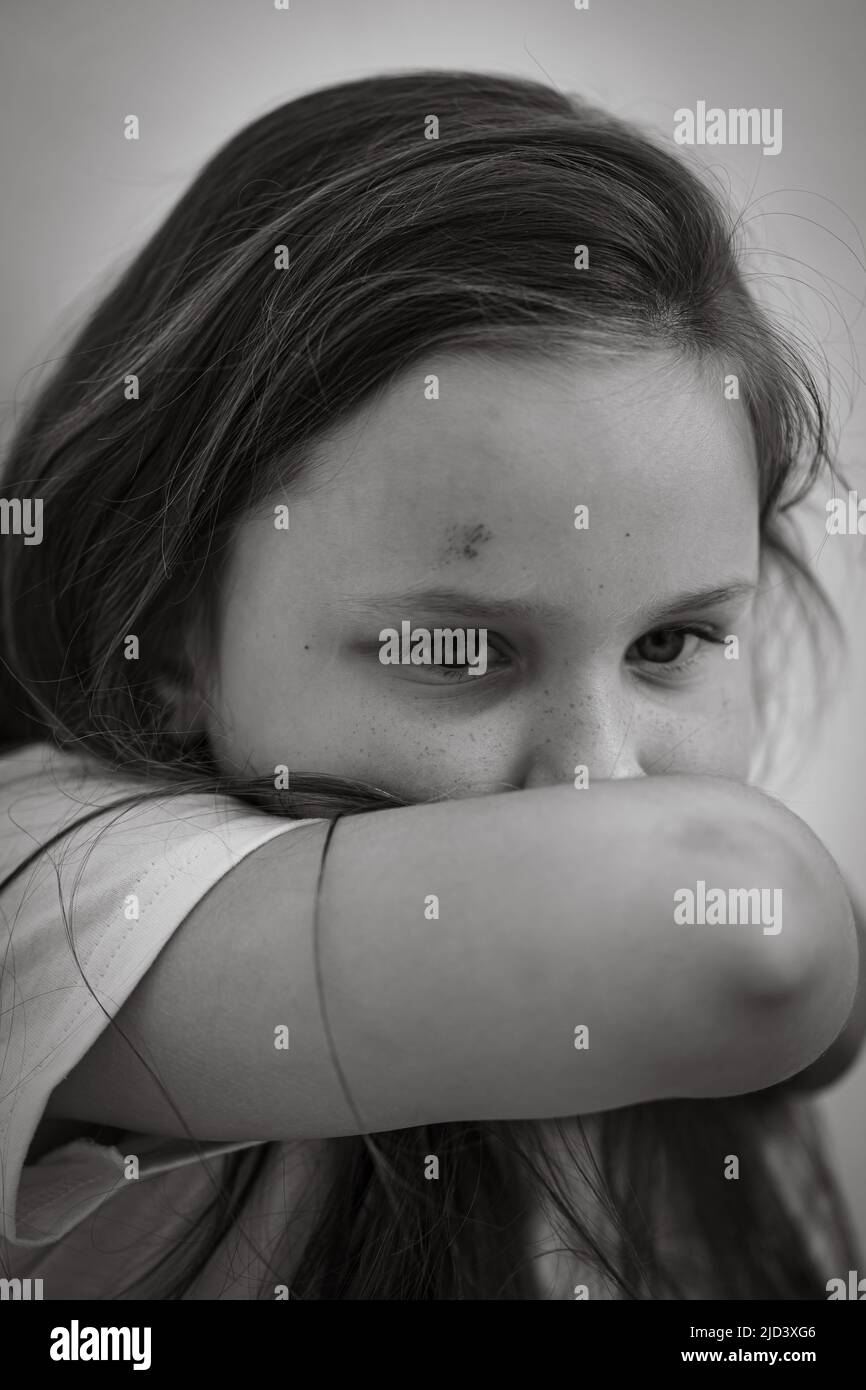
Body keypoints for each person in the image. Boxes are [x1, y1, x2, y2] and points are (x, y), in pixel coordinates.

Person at [0, 70, 862, 1300]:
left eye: (667, 646)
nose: (598, 782)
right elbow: (753, 942)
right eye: (457, 652)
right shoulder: (56, 882)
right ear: (168, 630)